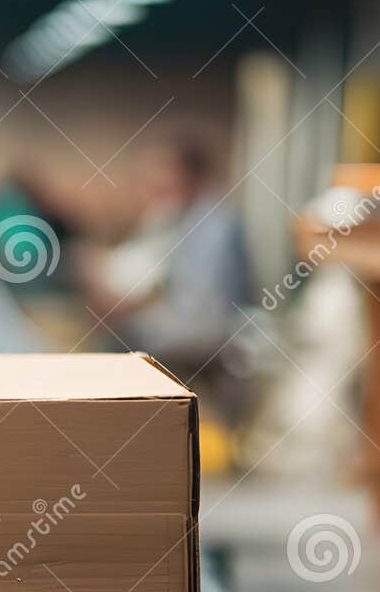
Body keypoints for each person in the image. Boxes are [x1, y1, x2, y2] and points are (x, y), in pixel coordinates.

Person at [84, 131, 254, 420]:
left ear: (189, 174)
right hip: (187, 317)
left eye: (163, 169)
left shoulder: (216, 224)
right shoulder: (180, 214)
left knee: (117, 343)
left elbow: (198, 301)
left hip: (210, 328)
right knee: (110, 331)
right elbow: (153, 273)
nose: (154, 180)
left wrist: (132, 305)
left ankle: (130, 424)